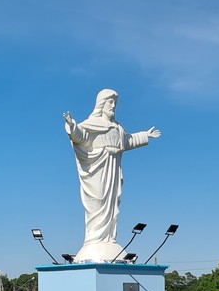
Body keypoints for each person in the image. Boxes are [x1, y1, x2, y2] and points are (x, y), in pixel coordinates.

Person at [63, 89, 161, 262]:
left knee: (112, 204)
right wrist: (72, 126)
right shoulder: (92, 124)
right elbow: (80, 137)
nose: (113, 106)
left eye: (115, 103)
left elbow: (126, 141)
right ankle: (94, 240)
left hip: (113, 170)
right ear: (101, 104)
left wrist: (145, 135)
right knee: (98, 202)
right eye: (110, 102)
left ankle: (108, 239)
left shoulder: (118, 128)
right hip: (97, 170)